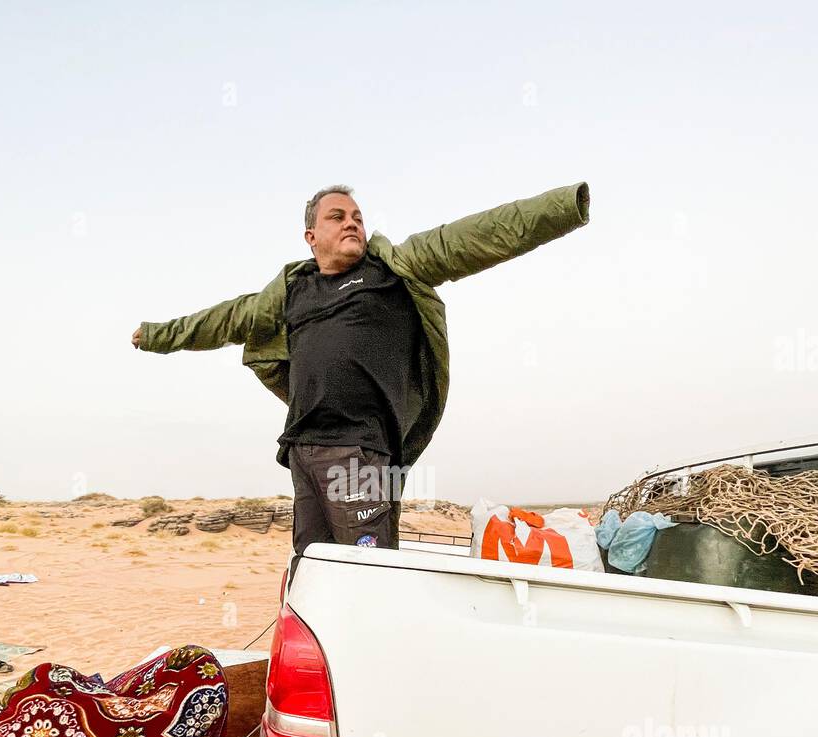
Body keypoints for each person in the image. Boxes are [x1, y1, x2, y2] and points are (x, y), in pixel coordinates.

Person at [133, 180, 590, 554]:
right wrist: (156, 336)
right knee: (312, 568)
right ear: (311, 237)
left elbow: (476, 236)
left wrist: (563, 207)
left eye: (357, 218)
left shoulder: (390, 269)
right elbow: (223, 320)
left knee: (366, 573)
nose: (352, 223)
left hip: (361, 451)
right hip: (303, 450)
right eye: (337, 217)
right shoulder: (291, 292)